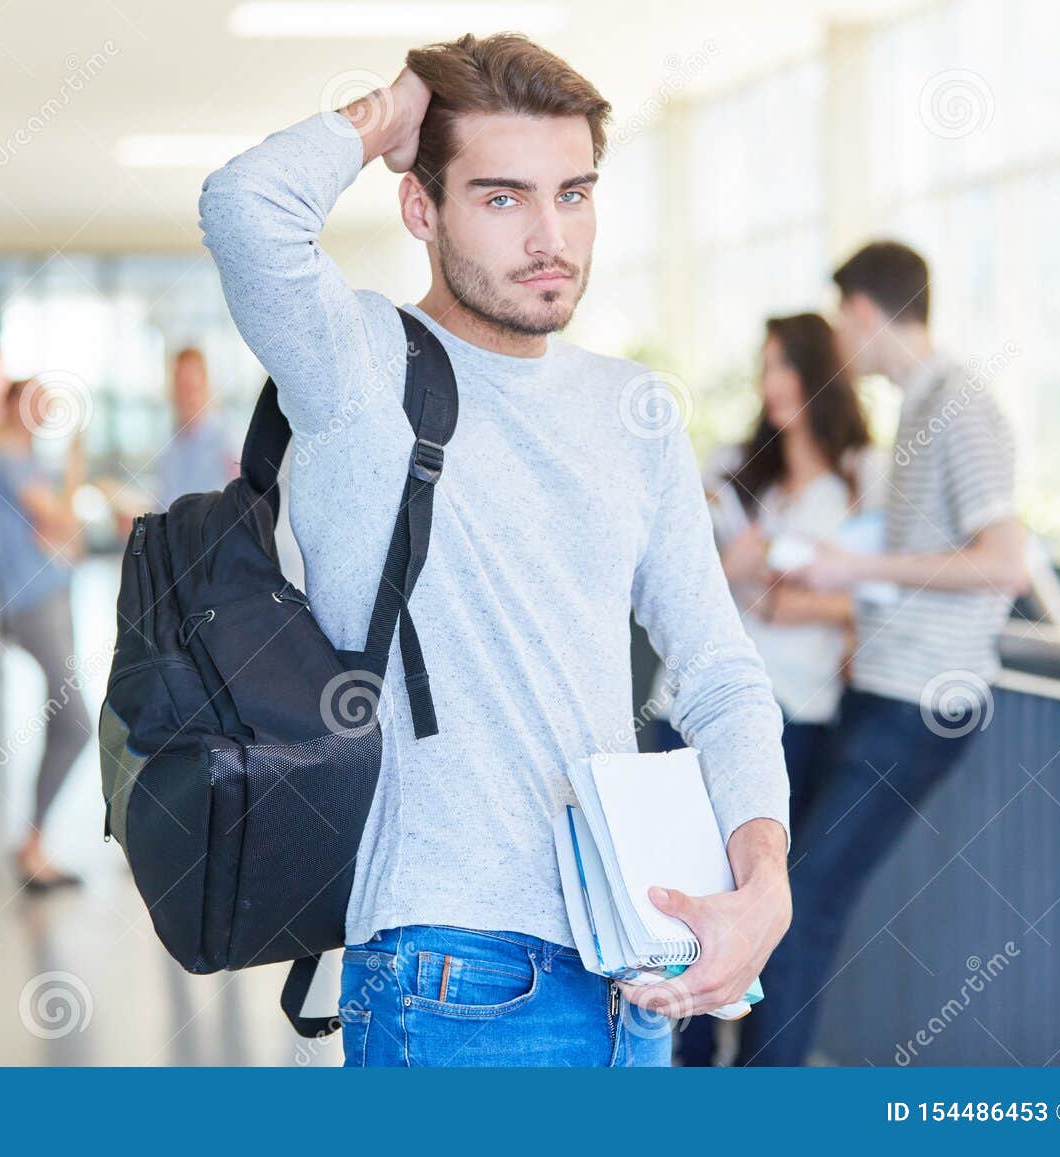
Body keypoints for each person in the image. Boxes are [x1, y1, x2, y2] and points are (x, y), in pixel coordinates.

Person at [199, 33, 792, 1067]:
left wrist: (763, 878)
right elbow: (242, 207)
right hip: (452, 972)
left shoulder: (632, 411)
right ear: (421, 208)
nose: (549, 236)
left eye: (573, 193)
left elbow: (719, 670)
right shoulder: (358, 372)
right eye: (503, 196)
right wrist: (388, 116)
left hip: (633, 967)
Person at [754, 240, 1029, 1065]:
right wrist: (860, 612)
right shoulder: (919, 405)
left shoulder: (962, 403)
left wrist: (851, 569)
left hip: (921, 701)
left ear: (865, 313)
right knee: (793, 895)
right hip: (879, 688)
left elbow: (1003, 562)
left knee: (801, 900)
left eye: (843, 318)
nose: (838, 337)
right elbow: (931, 552)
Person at [681, 312, 881, 1066]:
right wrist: (743, 570)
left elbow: (882, 596)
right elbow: (689, 580)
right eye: (766, 368)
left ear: (822, 375)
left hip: (800, 715)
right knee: (685, 903)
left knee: (770, 908)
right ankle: (685, 1069)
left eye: (787, 367)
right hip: (705, 713)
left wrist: (801, 602)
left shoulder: (862, 477)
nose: (773, 385)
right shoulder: (737, 467)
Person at [0, 379, 91, 893]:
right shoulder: (8, 460)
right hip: (35, 606)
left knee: (63, 721)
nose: (45, 408)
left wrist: (62, 521)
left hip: (50, 600)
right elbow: (62, 520)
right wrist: (70, 492)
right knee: (76, 723)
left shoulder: (21, 462)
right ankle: (32, 843)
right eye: (34, 399)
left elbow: (71, 537)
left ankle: (34, 843)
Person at [151, 347, 237, 510]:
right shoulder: (169, 444)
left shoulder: (227, 442)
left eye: (193, 388)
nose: (187, 397)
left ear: (206, 387)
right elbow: (164, 502)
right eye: (182, 387)